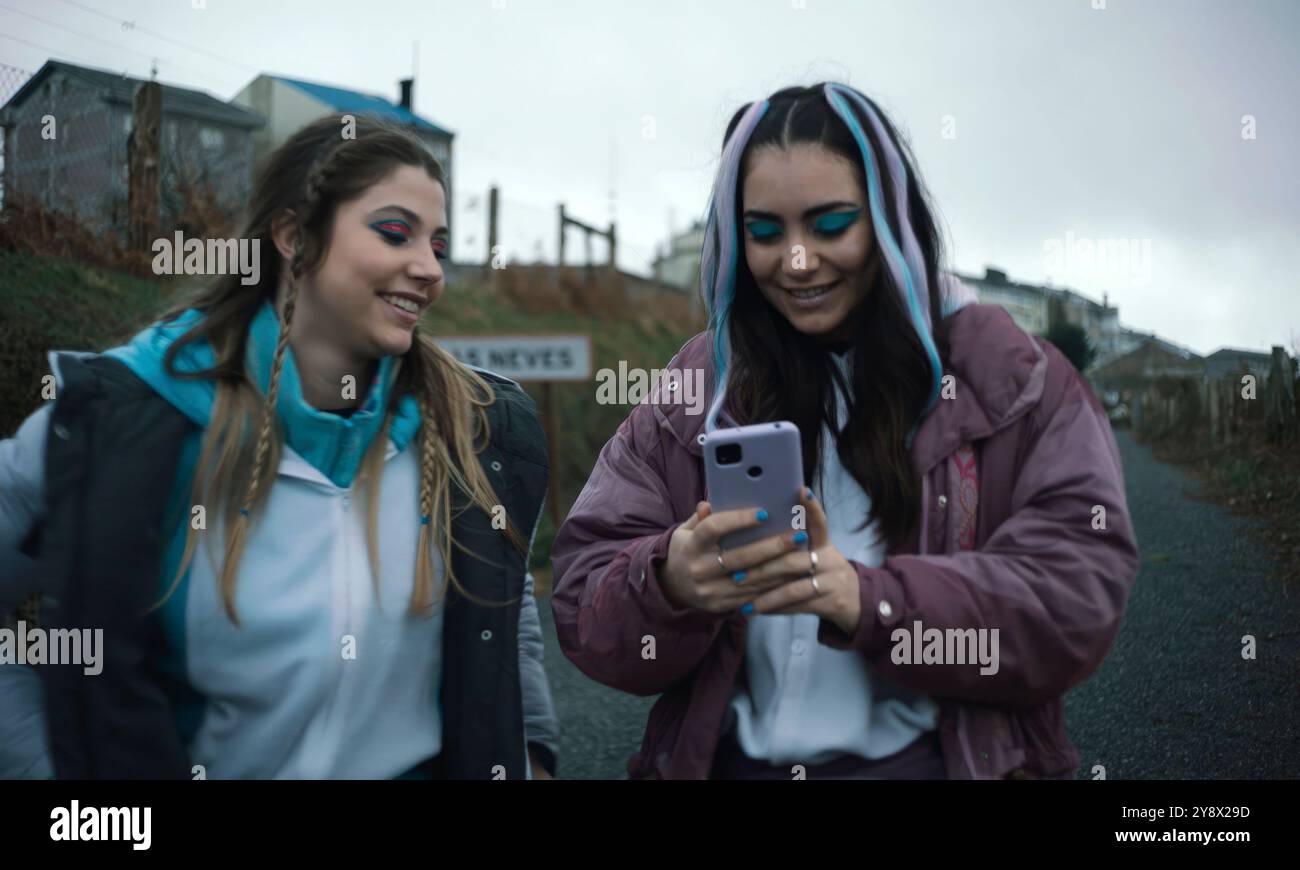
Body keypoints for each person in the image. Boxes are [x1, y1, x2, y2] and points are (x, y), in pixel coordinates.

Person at [550, 83, 1140, 780]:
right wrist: (669, 581)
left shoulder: (1012, 375)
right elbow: (583, 594)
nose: (797, 261)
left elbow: (1076, 596)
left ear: (890, 221)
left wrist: (871, 601)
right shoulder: (698, 382)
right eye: (764, 232)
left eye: (831, 225)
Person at [0, 114, 558, 780]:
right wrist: (53, 769)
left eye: (438, 245)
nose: (428, 268)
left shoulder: (476, 428)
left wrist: (527, 757)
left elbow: (504, 595)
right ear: (294, 237)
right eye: (394, 232)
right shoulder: (113, 418)